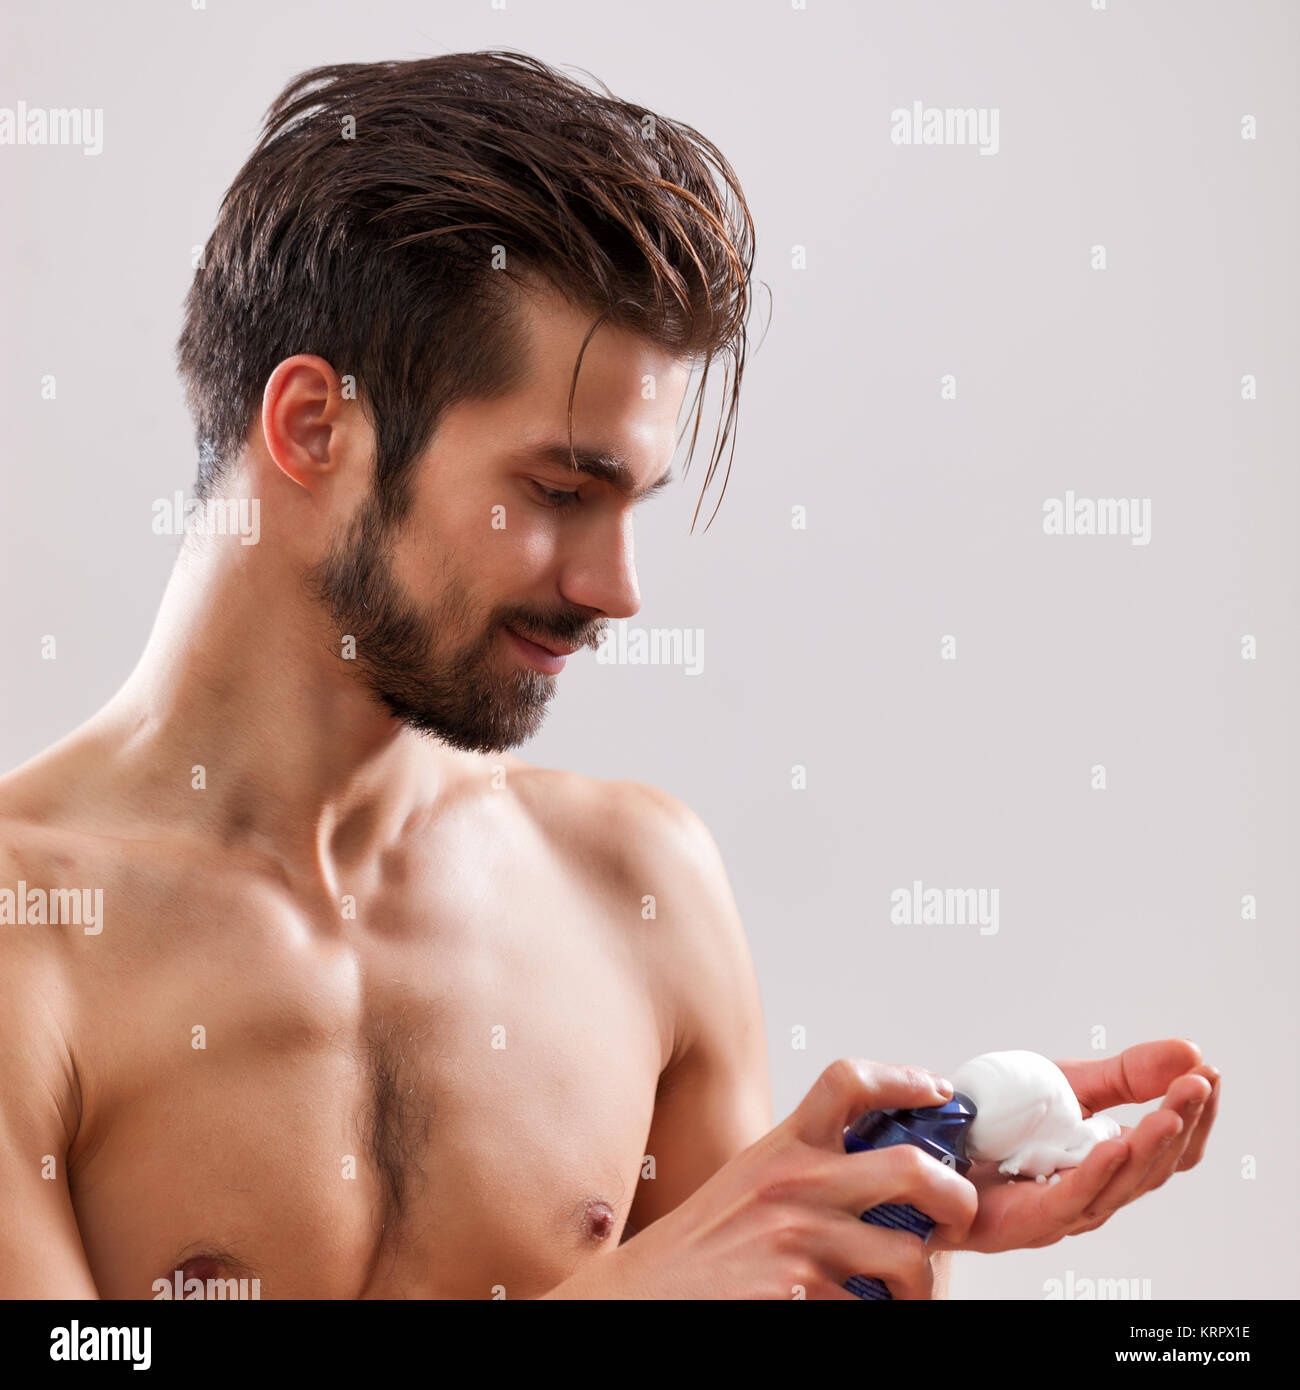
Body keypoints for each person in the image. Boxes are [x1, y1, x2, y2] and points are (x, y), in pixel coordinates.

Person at [0, 50, 1217, 1300]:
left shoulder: (640, 888)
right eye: (558, 493)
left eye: (630, 504)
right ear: (317, 428)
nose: (615, 589)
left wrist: (887, 1207)